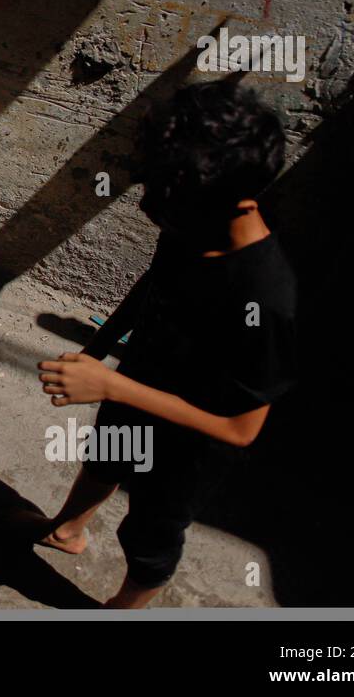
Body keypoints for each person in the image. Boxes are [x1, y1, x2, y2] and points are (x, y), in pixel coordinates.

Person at [35, 81, 297, 608]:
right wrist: (100, 350)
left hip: (189, 446)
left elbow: (240, 428)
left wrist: (111, 383)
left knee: (150, 533)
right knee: (103, 459)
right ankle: (66, 531)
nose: (152, 208)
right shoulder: (194, 217)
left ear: (239, 200)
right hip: (137, 381)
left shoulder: (265, 295)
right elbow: (152, 284)